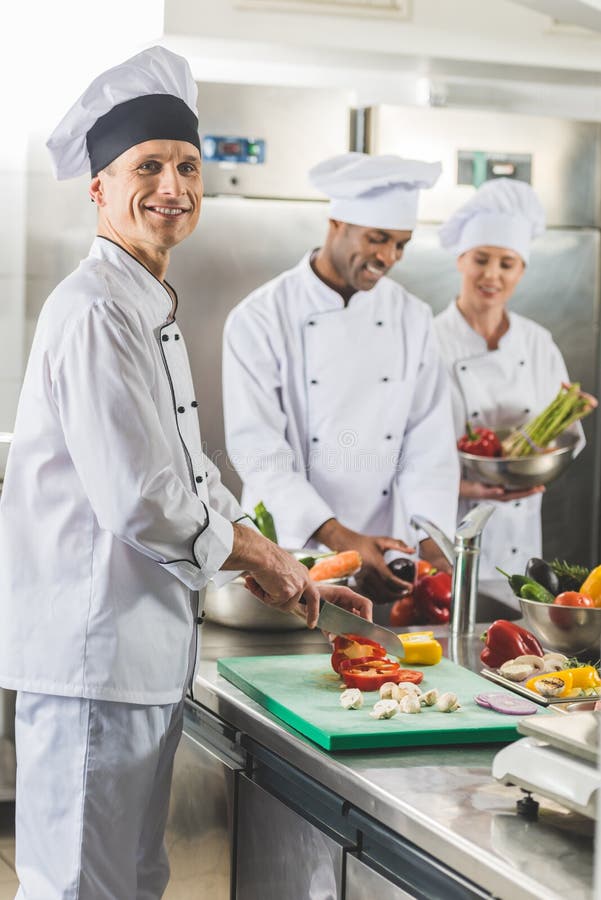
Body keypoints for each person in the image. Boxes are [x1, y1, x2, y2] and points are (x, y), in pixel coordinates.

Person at [0, 47, 370, 899]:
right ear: (98, 188)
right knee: (81, 889)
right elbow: (142, 499)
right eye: (148, 166)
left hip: (135, 653)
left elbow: (185, 468)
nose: (173, 185)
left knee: (126, 881)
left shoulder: (143, 301)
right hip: (95, 654)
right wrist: (259, 555)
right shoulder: (96, 312)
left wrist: (282, 565)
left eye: (188, 166)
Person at [223, 152, 460, 605]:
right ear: (336, 223)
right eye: (378, 238)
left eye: (401, 244)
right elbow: (259, 450)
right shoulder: (260, 317)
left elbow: (428, 440)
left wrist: (431, 543)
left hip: (387, 554)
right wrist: (338, 536)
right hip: (293, 552)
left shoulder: (411, 317)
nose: (388, 257)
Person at [434, 177, 584, 580]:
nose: (492, 275)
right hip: (444, 532)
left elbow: (569, 435)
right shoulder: (429, 341)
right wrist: (462, 487)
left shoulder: (537, 342)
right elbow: (398, 450)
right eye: (481, 258)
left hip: (520, 534)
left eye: (507, 263)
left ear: (522, 270)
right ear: (460, 259)